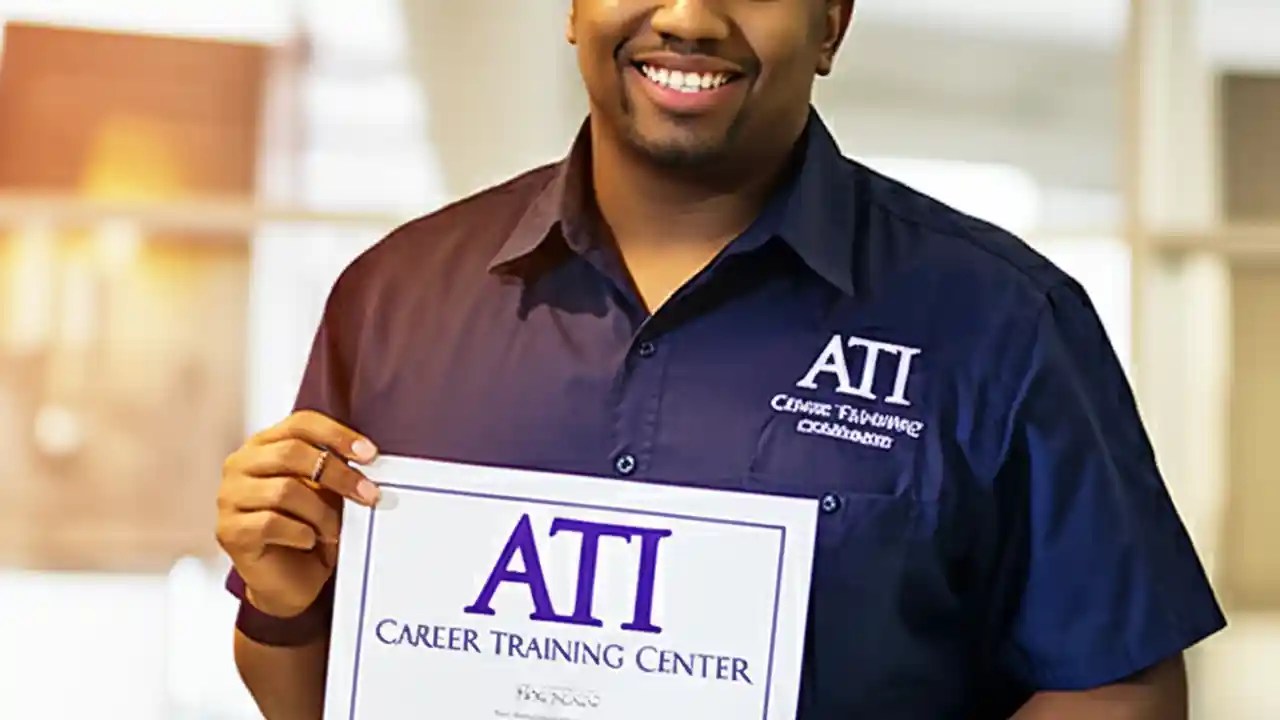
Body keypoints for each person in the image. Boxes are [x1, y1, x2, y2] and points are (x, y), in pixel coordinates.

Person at [215, 0, 1226, 717]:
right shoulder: (394, 298)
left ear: (831, 23)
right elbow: (322, 688)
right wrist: (281, 600)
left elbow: (1119, 685)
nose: (690, 17)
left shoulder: (1003, 320)